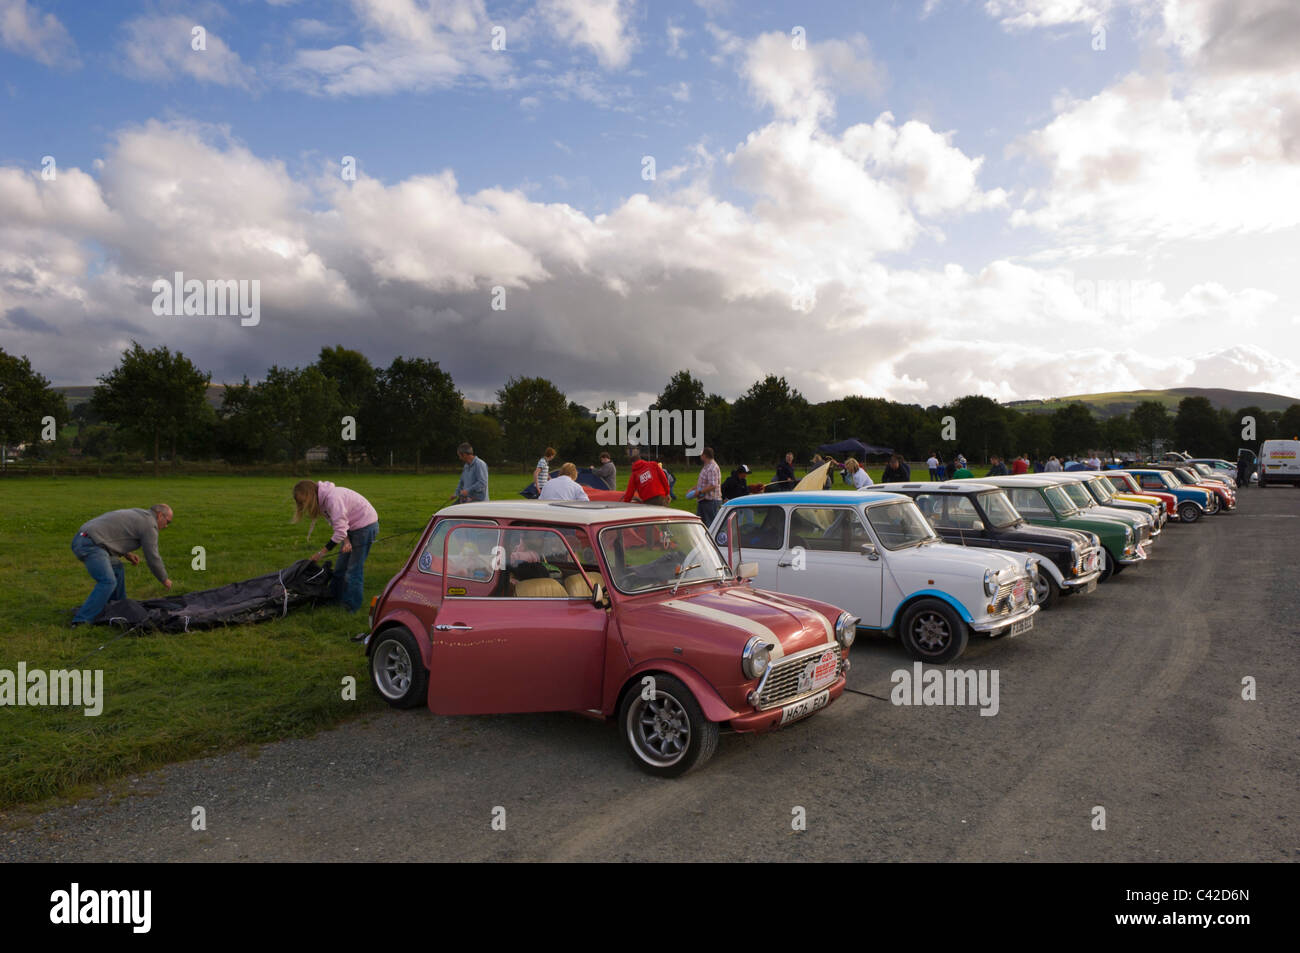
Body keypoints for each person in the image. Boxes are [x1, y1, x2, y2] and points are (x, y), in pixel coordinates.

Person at [70, 504, 174, 625]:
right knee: (107, 581)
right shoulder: (150, 525)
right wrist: (164, 579)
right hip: (90, 545)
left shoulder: (140, 514)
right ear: (160, 515)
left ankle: (118, 607)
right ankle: (81, 620)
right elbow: (152, 556)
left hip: (84, 538)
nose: (166, 526)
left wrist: (127, 554)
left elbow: (117, 532)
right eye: (168, 522)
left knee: (117, 568)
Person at [296, 480, 378, 613]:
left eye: (304, 501)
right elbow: (338, 525)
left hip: (365, 527)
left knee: (353, 570)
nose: (304, 505)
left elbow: (340, 530)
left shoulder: (332, 499)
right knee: (340, 568)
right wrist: (346, 542)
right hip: (351, 528)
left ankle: (351, 606)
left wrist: (320, 553)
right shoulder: (322, 501)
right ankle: (333, 599)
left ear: (309, 495)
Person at [690, 447, 722, 527]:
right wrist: (693, 489)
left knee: (711, 526)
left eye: (701, 454)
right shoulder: (706, 466)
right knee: (701, 526)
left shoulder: (712, 468)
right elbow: (704, 483)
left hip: (711, 502)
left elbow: (713, 485)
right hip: (704, 501)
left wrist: (699, 492)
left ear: (705, 455)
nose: (700, 456)